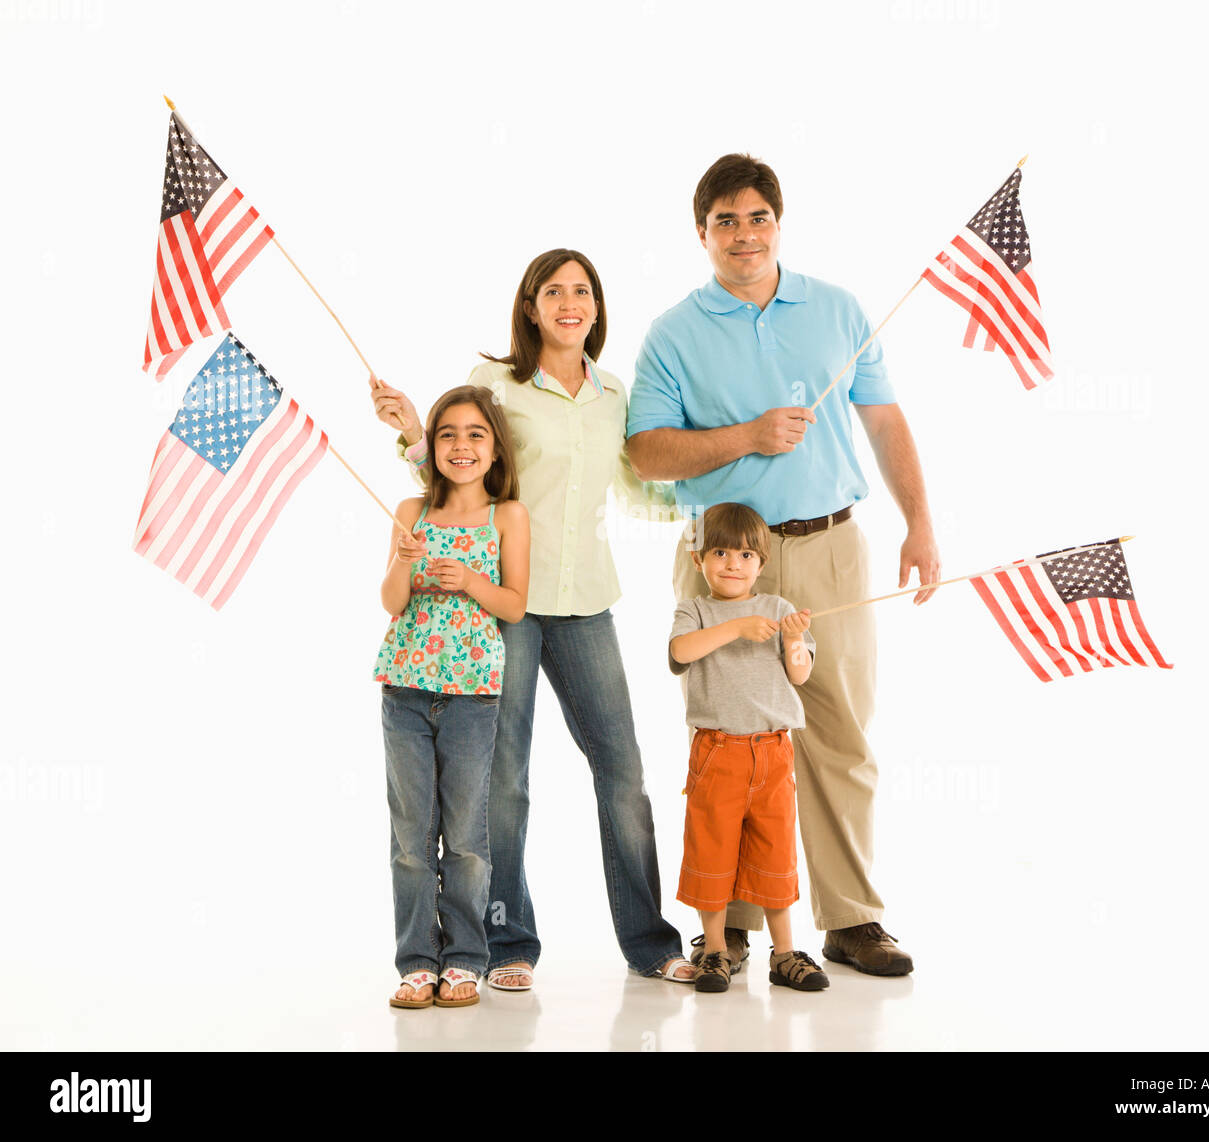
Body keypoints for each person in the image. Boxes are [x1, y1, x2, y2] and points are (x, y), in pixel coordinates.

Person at [628, 154, 941, 977]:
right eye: (725, 220)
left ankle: (850, 921)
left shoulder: (837, 309)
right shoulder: (673, 332)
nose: (743, 233)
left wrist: (921, 524)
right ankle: (723, 931)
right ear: (702, 233)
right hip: (725, 561)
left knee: (839, 730)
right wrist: (748, 436)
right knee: (729, 738)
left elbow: (883, 420)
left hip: (832, 547)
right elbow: (647, 451)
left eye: (757, 216)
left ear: (778, 222)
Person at [371, 249, 694, 988]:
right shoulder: (497, 385)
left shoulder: (615, 392)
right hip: (503, 604)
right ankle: (508, 944)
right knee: (504, 783)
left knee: (623, 772)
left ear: (597, 307)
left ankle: (650, 943)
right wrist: (412, 432)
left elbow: (636, 485)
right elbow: (458, 471)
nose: (569, 303)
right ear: (530, 306)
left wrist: (709, 515)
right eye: (554, 291)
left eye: (582, 291)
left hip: (586, 603)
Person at [376, 384, 530, 1010]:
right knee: (413, 836)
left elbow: (515, 606)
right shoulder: (411, 511)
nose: (460, 446)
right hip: (406, 690)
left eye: (474, 435)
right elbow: (390, 602)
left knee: (466, 837)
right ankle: (417, 962)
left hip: (472, 696)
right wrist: (405, 567)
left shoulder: (507, 516)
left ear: (494, 449)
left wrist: (468, 581)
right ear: (430, 447)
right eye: (447, 435)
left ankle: (465, 959)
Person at [669, 503, 829, 994]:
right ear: (700, 561)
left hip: (774, 753)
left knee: (775, 854)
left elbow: (799, 674)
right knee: (712, 851)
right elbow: (680, 652)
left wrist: (796, 641)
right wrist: (736, 627)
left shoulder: (778, 610)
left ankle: (784, 953)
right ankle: (715, 951)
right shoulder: (696, 610)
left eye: (744, 554)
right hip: (719, 754)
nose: (732, 564)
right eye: (720, 552)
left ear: (761, 563)